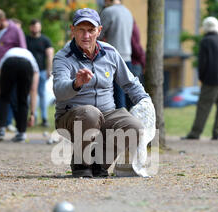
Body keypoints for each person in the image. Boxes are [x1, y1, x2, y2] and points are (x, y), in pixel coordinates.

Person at [53, 8, 153, 178]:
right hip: (73, 117)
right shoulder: (63, 57)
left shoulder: (110, 53)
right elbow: (59, 91)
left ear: (99, 31)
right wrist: (76, 83)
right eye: (81, 30)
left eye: (91, 30)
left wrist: (145, 100)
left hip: (107, 113)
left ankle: (99, 164)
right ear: (72, 30)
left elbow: (130, 83)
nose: (86, 36)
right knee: (90, 113)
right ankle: (81, 164)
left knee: (134, 126)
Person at [182, 17, 218, 141]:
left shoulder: (205, 41)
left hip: (212, 79)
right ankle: (217, 133)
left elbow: (203, 63)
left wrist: (202, 77)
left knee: (204, 106)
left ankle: (195, 133)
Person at [0, 9, 26, 140]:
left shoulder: (15, 30)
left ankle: (20, 130)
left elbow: (23, 49)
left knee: (14, 100)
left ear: (2, 19)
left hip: (12, 70)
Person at [0, 47, 39, 142]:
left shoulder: (6, 56)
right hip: (26, 65)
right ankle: (21, 133)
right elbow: (33, 89)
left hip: (9, 63)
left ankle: (1, 130)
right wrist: (32, 113)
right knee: (22, 99)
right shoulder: (33, 62)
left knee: (4, 97)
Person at [99, 0, 134, 109]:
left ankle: (120, 123)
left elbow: (98, 34)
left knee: (117, 94)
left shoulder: (108, 11)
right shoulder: (128, 12)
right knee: (127, 92)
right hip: (127, 56)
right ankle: (130, 122)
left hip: (113, 57)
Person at [26, 19, 54, 128]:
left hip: (41, 71)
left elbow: (50, 55)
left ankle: (44, 118)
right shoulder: (26, 40)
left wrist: (49, 70)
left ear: (40, 27)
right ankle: (33, 116)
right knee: (31, 94)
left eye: (37, 26)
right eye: (33, 26)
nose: (35, 29)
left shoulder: (45, 40)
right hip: (29, 71)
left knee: (42, 94)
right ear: (30, 27)